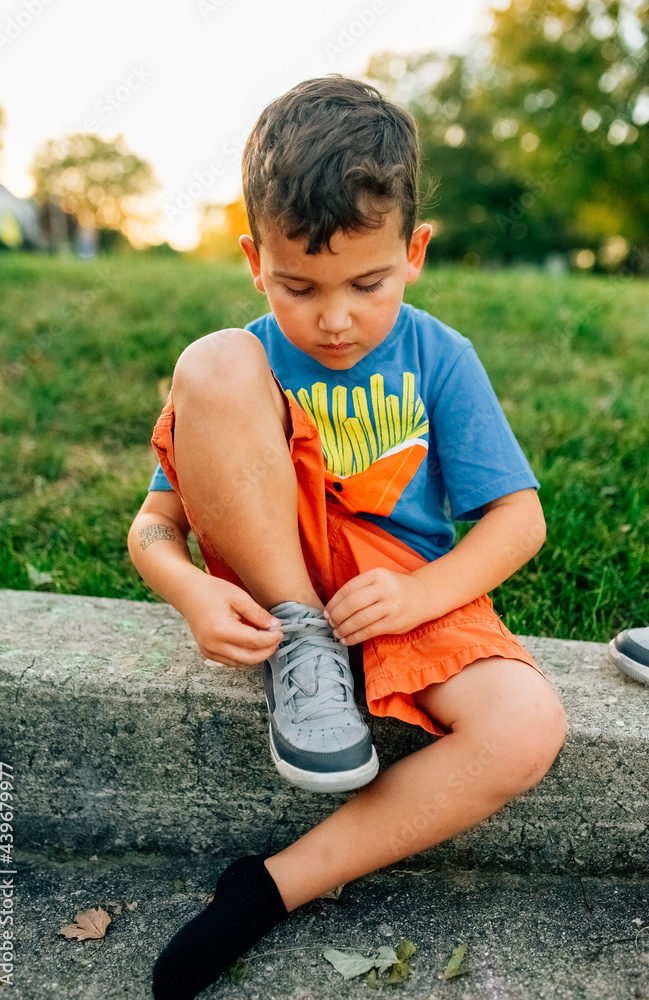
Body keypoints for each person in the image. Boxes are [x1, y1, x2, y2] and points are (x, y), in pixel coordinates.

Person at [127, 75, 568, 1000]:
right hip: (274, 587)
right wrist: (192, 591)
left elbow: (518, 518)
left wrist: (419, 596)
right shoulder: (238, 370)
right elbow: (154, 528)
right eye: (298, 285)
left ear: (413, 252)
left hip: (397, 592)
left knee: (526, 726)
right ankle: (302, 636)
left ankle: (270, 889)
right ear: (254, 260)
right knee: (209, 357)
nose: (333, 319)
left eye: (366, 284)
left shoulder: (439, 356)